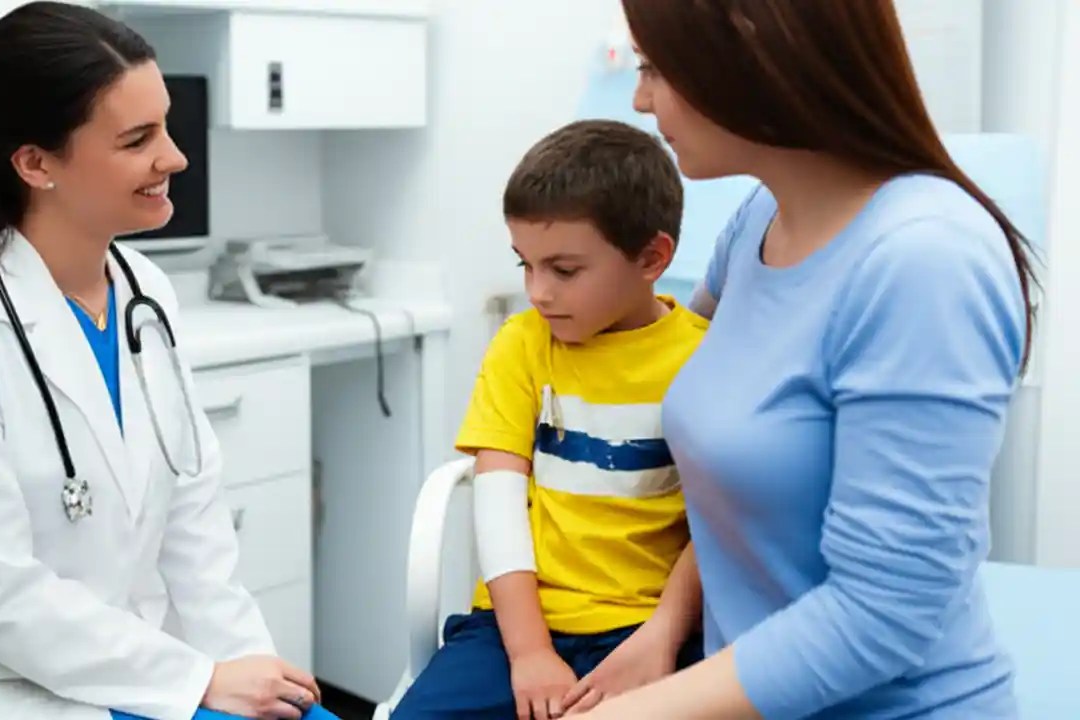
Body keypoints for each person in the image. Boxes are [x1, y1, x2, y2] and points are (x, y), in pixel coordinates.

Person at [0, 3, 326, 719]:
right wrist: (196, 682)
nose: (175, 156)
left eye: (165, 125)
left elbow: (195, 526)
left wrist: (246, 669)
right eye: (138, 139)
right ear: (36, 163)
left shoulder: (145, 293)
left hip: (122, 665)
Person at [571, 2, 1035, 719]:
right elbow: (732, 483)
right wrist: (665, 626)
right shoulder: (759, 220)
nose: (640, 99)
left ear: (754, 47)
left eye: (656, 68)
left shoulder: (924, 259)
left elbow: (882, 613)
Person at [392, 120, 707, 720]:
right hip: (517, 623)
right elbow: (498, 497)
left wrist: (662, 637)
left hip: (649, 628)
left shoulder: (705, 359)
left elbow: (717, 524)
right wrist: (530, 651)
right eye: (525, 266)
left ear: (651, 257)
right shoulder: (522, 344)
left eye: (563, 271)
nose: (538, 292)